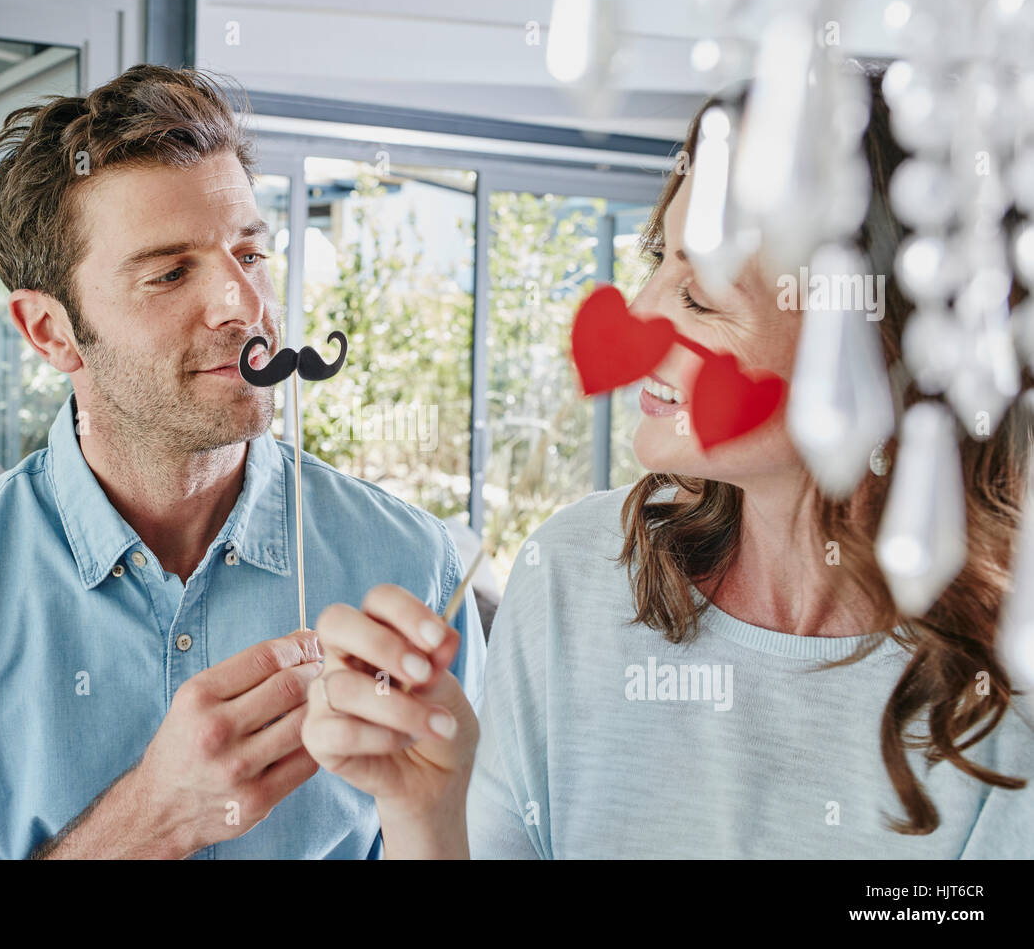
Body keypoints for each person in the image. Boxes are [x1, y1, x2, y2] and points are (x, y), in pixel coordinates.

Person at [301, 64, 1034, 858]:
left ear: (876, 347)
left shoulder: (1006, 705)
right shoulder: (572, 571)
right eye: (658, 256)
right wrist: (424, 812)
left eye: (701, 295)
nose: (641, 309)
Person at [0, 64, 485, 859]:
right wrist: (152, 821)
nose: (245, 305)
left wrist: (431, 824)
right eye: (169, 272)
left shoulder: (417, 571)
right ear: (49, 332)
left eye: (250, 254)